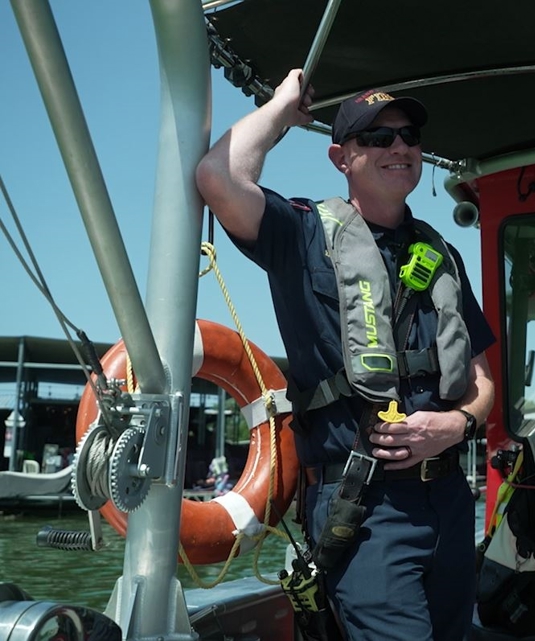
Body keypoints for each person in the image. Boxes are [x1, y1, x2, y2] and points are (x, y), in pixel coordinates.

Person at [195, 69, 495, 641]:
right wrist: (282, 109)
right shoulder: (302, 234)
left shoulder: (444, 255)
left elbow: (483, 381)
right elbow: (218, 175)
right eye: (378, 139)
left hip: (450, 502)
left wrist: (454, 425)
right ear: (341, 157)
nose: (400, 147)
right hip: (364, 507)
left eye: (409, 137)